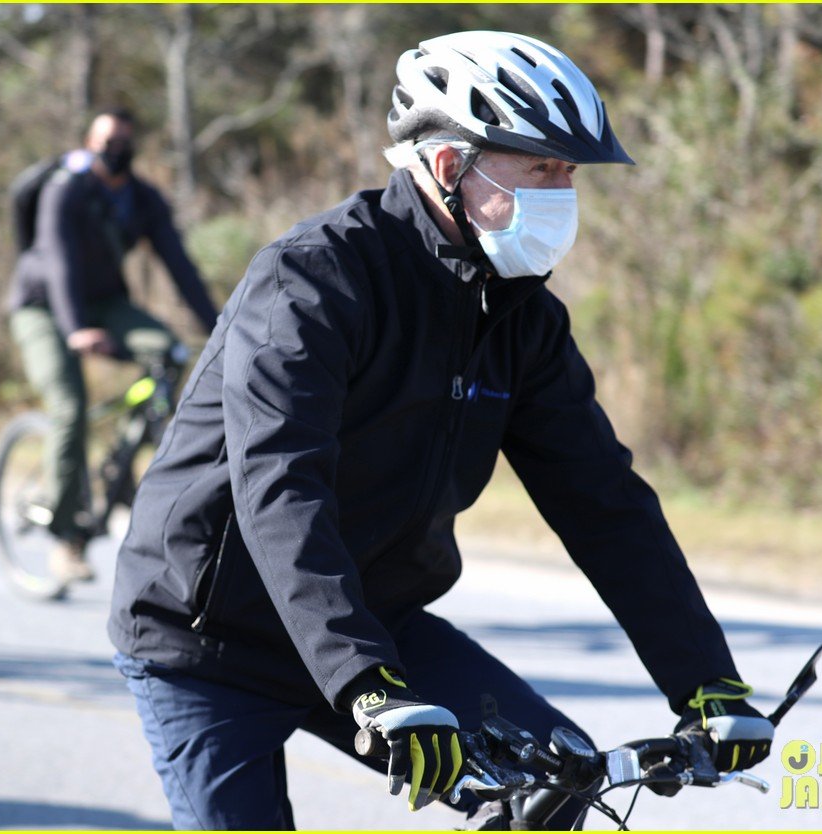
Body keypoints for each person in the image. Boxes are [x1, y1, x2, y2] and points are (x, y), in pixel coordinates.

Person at [108, 31, 775, 830]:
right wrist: (364, 681)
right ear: (453, 167)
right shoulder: (312, 280)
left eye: (570, 172)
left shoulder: (521, 315)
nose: (564, 193)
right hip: (211, 639)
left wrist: (703, 679)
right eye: (542, 168)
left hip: (376, 621)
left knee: (556, 787)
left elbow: (603, 501)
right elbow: (281, 488)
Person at [7, 108, 219, 584]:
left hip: (106, 303)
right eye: (105, 141)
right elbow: (59, 260)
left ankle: (117, 470)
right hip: (44, 307)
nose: (114, 150)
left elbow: (180, 267)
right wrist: (75, 328)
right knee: (69, 408)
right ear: (88, 142)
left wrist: (221, 326)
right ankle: (66, 538)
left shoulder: (142, 200)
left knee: (169, 353)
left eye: (123, 141)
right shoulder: (65, 189)